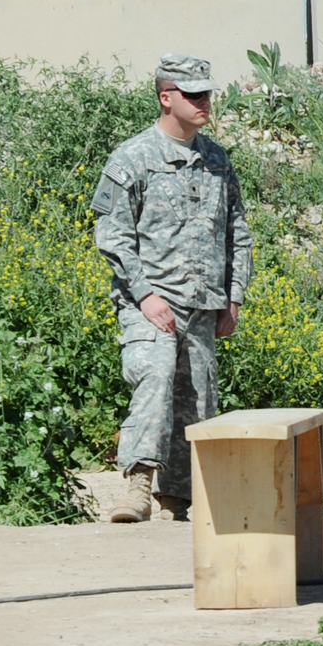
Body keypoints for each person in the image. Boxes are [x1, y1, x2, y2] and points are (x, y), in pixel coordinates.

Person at [89, 54, 253, 522]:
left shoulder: (216, 159)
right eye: (193, 94)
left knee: (197, 401)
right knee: (154, 378)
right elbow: (113, 234)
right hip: (150, 303)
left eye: (207, 94)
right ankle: (138, 486)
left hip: (204, 305)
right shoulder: (133, 157)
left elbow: (237, 232)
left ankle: (177, 500)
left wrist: (234, 296)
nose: (204, 102)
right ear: (166, 97)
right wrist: (145, 295)